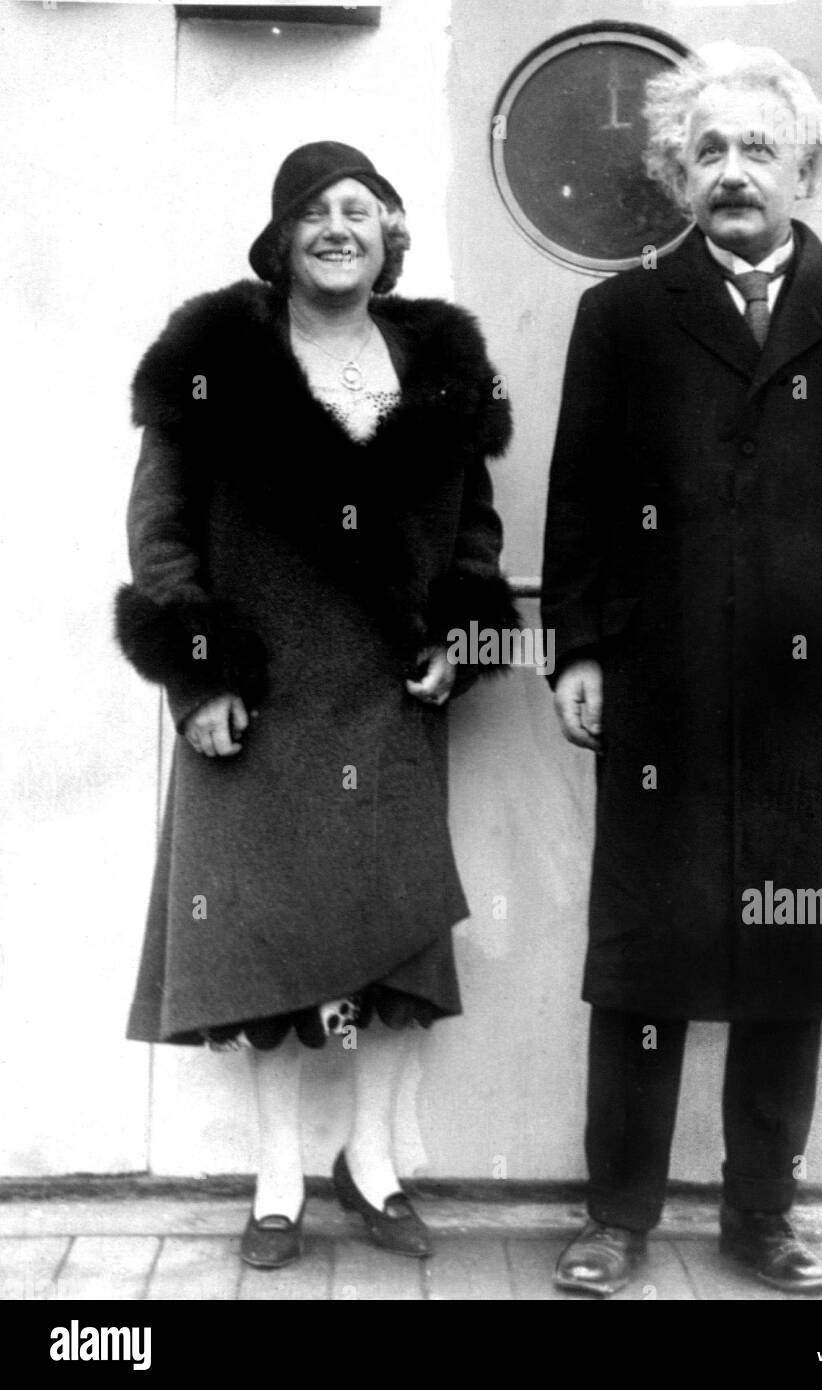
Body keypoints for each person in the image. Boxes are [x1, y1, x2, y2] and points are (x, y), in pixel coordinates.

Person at [541, 42, 822, 1296]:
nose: (732, 173)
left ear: (804, 167)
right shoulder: (621, 313)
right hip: (664, 687)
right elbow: (584, 500)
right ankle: (618, 1216)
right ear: (677, 172)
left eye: (756, 149)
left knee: (793, 952)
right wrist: (583, 648)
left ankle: (762, 1215)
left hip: (817, 696)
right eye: (707, 151)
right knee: (650, 957)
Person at [115, 141, 518, 1270]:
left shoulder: (441, 361)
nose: (339, 226)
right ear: (281, 238)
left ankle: (374, 1164)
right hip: (260, 699)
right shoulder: (213, 357)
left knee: (395, 943)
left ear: (392, 237)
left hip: (387, 698)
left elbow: (474, 532)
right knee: (265, 943)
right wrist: (198, 674)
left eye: (362, 209)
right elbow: (161, 534)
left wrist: (460, 633)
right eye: (313, 211)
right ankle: (280, 1177)